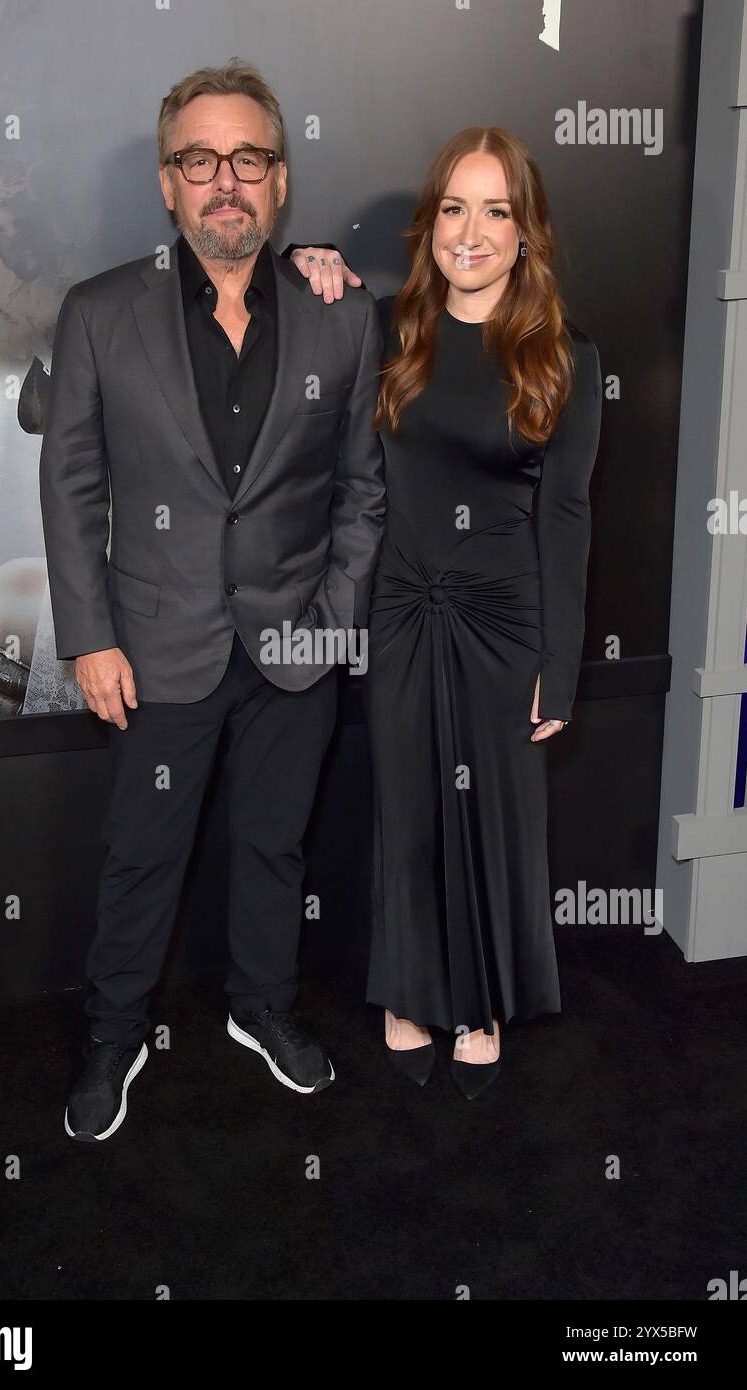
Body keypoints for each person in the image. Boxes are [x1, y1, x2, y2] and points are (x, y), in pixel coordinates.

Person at [39, 59, 385, 1141]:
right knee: (143, 855)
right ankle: (114, 1033)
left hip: (294, 644)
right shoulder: (99, 312)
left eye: (247, 159)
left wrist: (332, 621)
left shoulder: (340, 312)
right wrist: (88, 636)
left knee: (275, 847)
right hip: (153, 643)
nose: (223, 180)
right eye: (199, 160)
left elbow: (362, 487)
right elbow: (71, 483)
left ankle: (260, 1009)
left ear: (279, 182)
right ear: (165, 181)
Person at [289, 126, 602, 1098]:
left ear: (524, 232)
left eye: (494, 211)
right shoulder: (389, 329)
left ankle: (480, 995)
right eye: (454, 209)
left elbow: (565, 514)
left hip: (505, 625)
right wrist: (307, 263)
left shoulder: (564, 356)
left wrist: (559, 660)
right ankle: (408, 987)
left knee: (495, 815)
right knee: (409, 808)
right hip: (398, 611)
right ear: (430, 225)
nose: (470, 232)